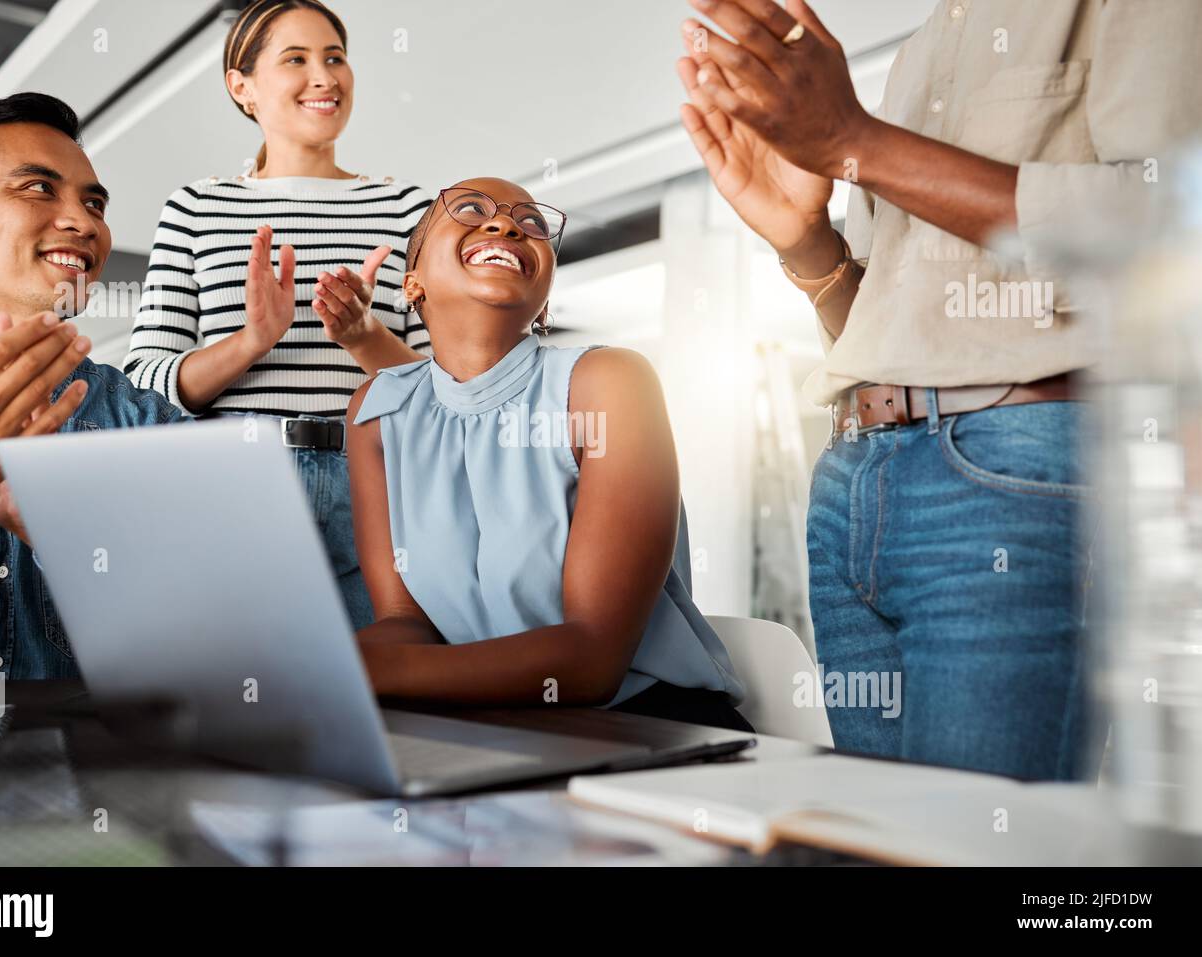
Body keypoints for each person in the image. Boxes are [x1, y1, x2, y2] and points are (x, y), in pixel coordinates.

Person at [677, 0, 1201, 777]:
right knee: (894, 838)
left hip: (1012, 474)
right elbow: (898, 333)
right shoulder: (917, 55)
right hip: (855, 482)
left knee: (978, 848)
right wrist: (809, 242)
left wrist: (856, 141)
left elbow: (1165, 226)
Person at [345, 178, 749, 732]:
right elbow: (403, 623)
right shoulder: (378, 410)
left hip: (644, 727)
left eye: (531, 223)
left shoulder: (608, 382)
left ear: (545, 297)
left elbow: (590, 663)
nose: (508, 225)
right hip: (487, 727)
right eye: (469, 210)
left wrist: (355, 673)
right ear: (413, 285)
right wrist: (309, 663)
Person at [123, 0, 432, 628]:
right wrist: (251, 340)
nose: (325, 77)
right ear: (242, 87)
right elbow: (143, 383)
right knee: (235, 689)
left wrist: (364, 337)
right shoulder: (195, 208)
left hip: (376, 480)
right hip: (232, 475)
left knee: (386, 692)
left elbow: (447, 388)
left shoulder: (409, 208)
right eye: (296, 59)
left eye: (336, 58)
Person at [0, 92, 185, 678]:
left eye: (95, 204)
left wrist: (56, 526)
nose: (84, 223)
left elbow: (220, 654)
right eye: (37, 188)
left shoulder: (151, 427)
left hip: (109, 765)